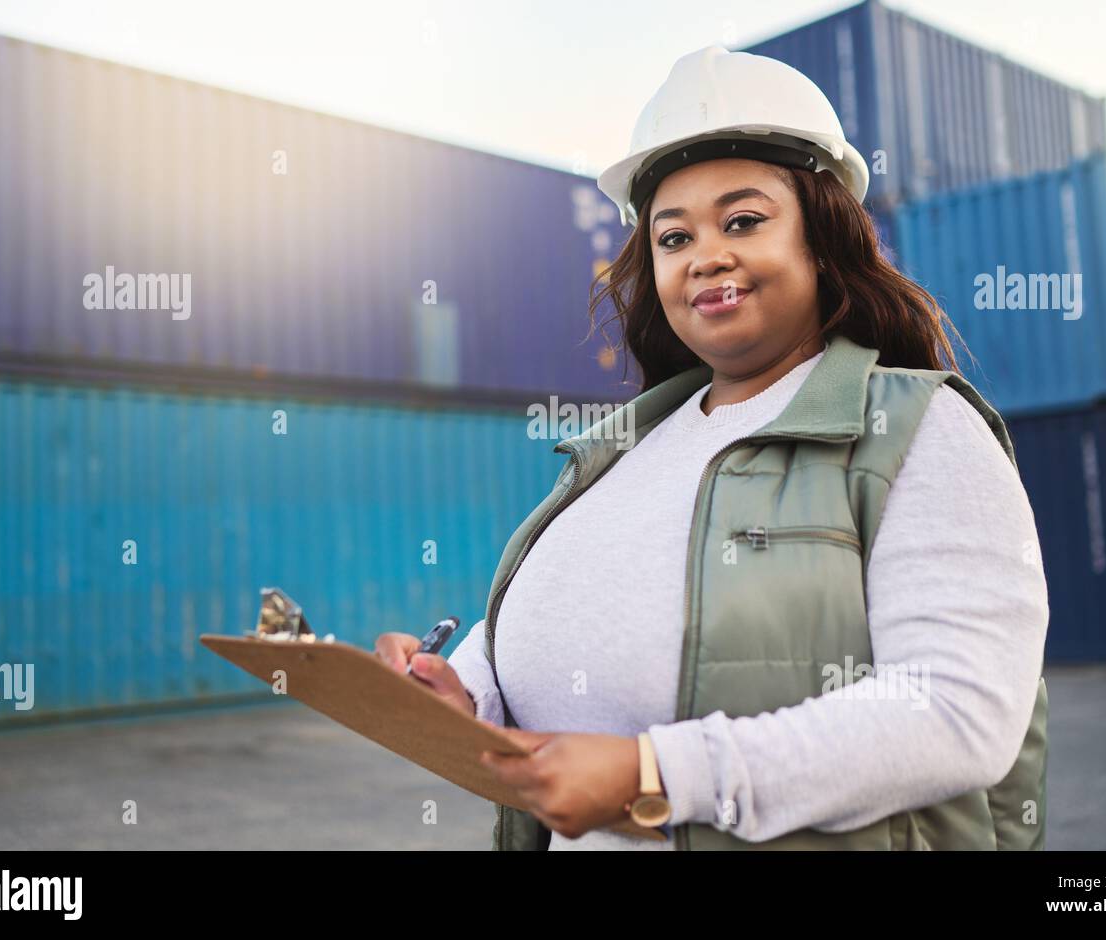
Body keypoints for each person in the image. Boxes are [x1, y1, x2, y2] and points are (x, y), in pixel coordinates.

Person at [375, 45, 1049, 851]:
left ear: (823, 239)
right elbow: (550, 639)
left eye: (743, 221)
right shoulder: (622, 451)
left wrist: (656, 772)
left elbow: (956, 712)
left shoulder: (920, 431)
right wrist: (464, 696)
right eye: (673, 237)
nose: (705, 256)